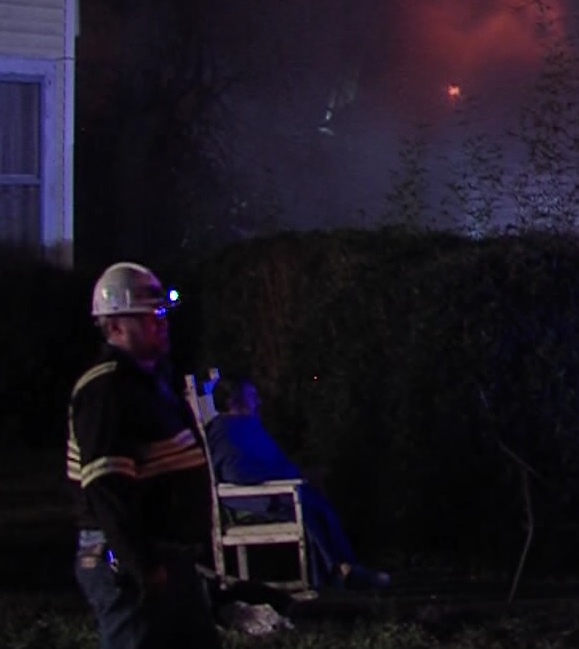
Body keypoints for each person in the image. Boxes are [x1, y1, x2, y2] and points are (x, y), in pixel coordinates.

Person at [67, 261, 220, 649]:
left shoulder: (146, 382)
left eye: (162, 314)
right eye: (149, 317)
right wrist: (143, 566)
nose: (161, 323)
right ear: (115, 326)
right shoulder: (107, 390)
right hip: (129, 560)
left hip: (164, 555)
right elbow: (106, 487)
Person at [203, 376, 390, 590]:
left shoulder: (246, 426)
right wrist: (277, 477)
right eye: (251, 396)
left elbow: (271, 461)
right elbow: (233, 470)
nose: (258, 402)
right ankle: (336, 572)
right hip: (251, 498)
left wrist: (291, 474)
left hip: (275, 491)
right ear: (234, 400)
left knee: (317, 504)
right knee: (307, 509)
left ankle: (344, 568)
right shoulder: (225, 431)